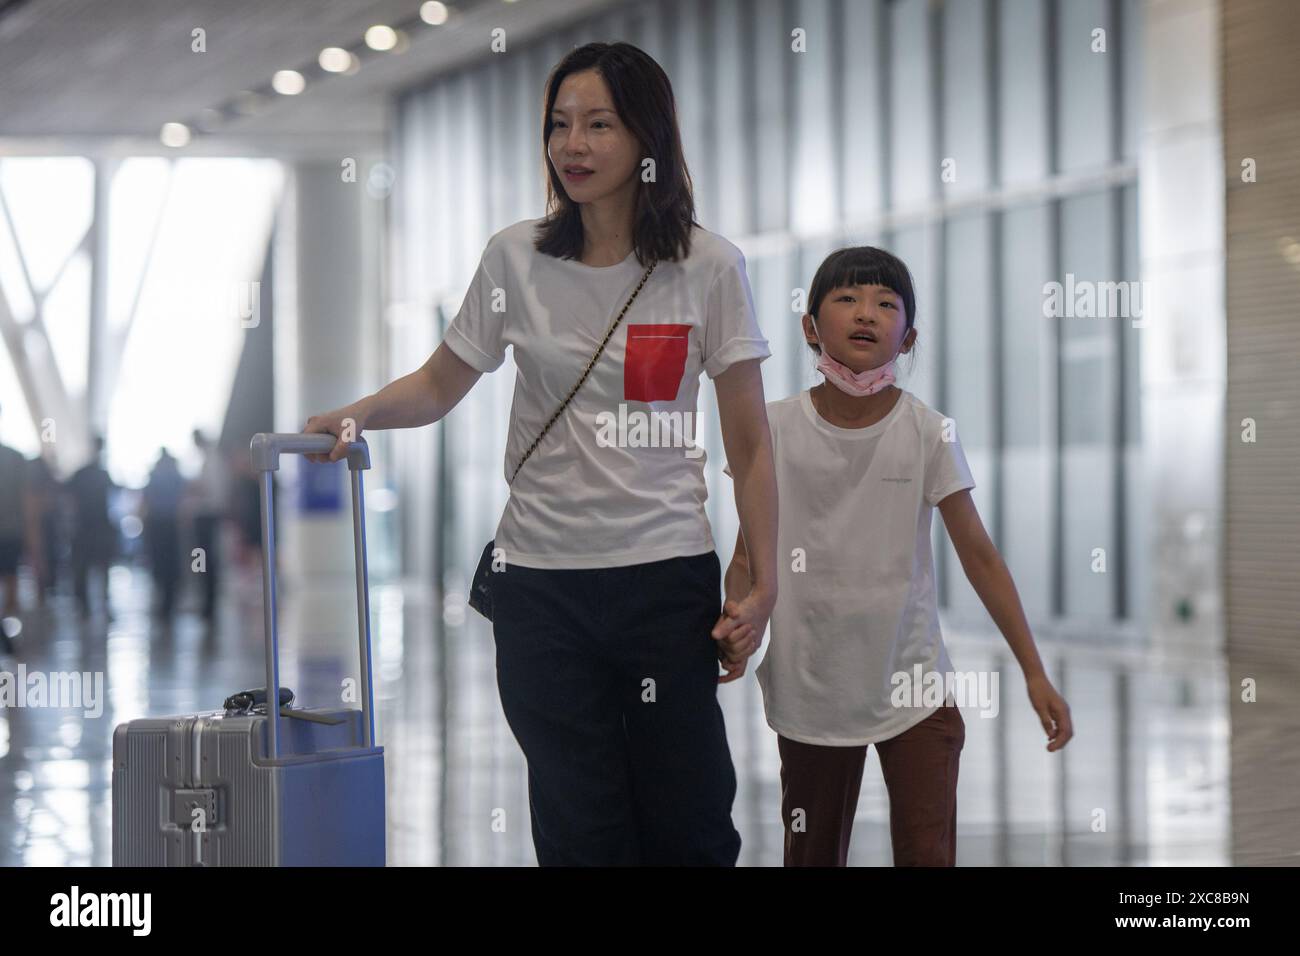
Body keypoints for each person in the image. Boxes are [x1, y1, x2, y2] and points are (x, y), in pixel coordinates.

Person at [305, 42, 778, 866]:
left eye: (600, 124)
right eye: (560, 125)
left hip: (664, 578)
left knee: (690, 818)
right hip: (540, 588)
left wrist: (759, 575)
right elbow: (441, 382)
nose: (575, 145)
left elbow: (750, 442)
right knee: (577, 823)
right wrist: (359, 415)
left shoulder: (707, 267)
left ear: (647, 140)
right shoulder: (515, 257)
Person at [716, 246, 1074, 866]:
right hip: (811, 690)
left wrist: (1034, 672)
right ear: (810, 325)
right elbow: (750, 551)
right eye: (847, 299)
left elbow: (981, 557)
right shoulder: (772, 430)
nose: (866, 313)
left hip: (916, 688)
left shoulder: (929, 432)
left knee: (927, 854)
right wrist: (739, 619)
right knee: (810, 854)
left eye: (886, 304)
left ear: (907, 338)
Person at [67, 434, 117, 619]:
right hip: (91, 528)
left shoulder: (86, 474)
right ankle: (91, 606)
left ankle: (87, 607)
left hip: (89, 528)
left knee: (88, 569)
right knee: (94, 569)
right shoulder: (99, 474)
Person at [189, 429, 228, 621]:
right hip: (207, 515)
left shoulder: (211, 461)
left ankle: (207, 601)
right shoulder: (211, 459)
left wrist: (195, 490)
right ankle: (205, 599)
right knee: (203, 560)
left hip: (207, 515)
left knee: (203, 559)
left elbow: (211, 491)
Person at [142, 448, 185, 617]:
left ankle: (163, 601)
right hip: (171, 524)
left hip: (157, 523)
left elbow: (145, 501)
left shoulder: (155, 477)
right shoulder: (176, 477)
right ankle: (169, 600)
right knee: (170, 563)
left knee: (159, 561)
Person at [0, 406, 27, 649]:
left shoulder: (16, 459)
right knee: (10, 586)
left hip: (9, 533)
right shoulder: (15, 458)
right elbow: (28, 503)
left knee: (10, 585)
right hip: (9, 534)